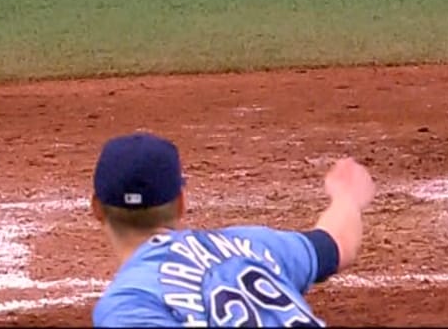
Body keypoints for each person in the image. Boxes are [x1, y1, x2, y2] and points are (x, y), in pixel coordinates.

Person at [90, 131, 377, 326]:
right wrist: (346, 197)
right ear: (181, 203)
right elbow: (336, 242)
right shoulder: (254, 245)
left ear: (96, 208)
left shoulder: (130, 304)